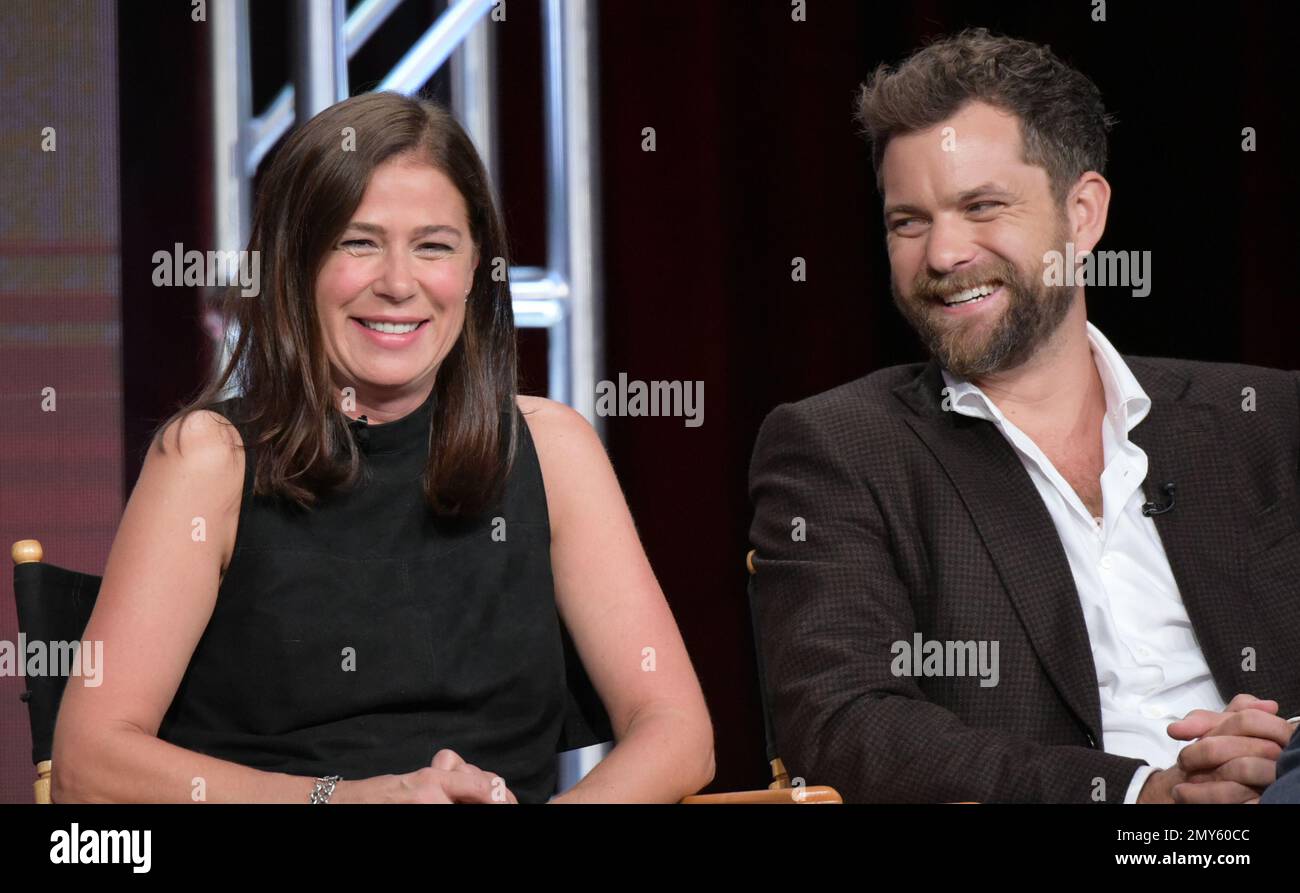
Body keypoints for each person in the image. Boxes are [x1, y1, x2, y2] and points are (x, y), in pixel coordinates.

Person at [53, 92, 714, 804]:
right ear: (296, 265)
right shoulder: (209, 459)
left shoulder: (553, 451)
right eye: (358, 243)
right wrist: (344, 799)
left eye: (433, 246)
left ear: (474, 270)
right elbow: (89, 763)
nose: (398, 283)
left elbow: (677, 729)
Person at [747, 28, 1300, 803]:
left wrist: (1271, 745)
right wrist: (1141, 792)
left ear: (1084, 214)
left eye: (982, 207)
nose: (942, 253)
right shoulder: (840, 448)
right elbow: (842, 722)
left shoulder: (1266, 420)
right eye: (908, 221)